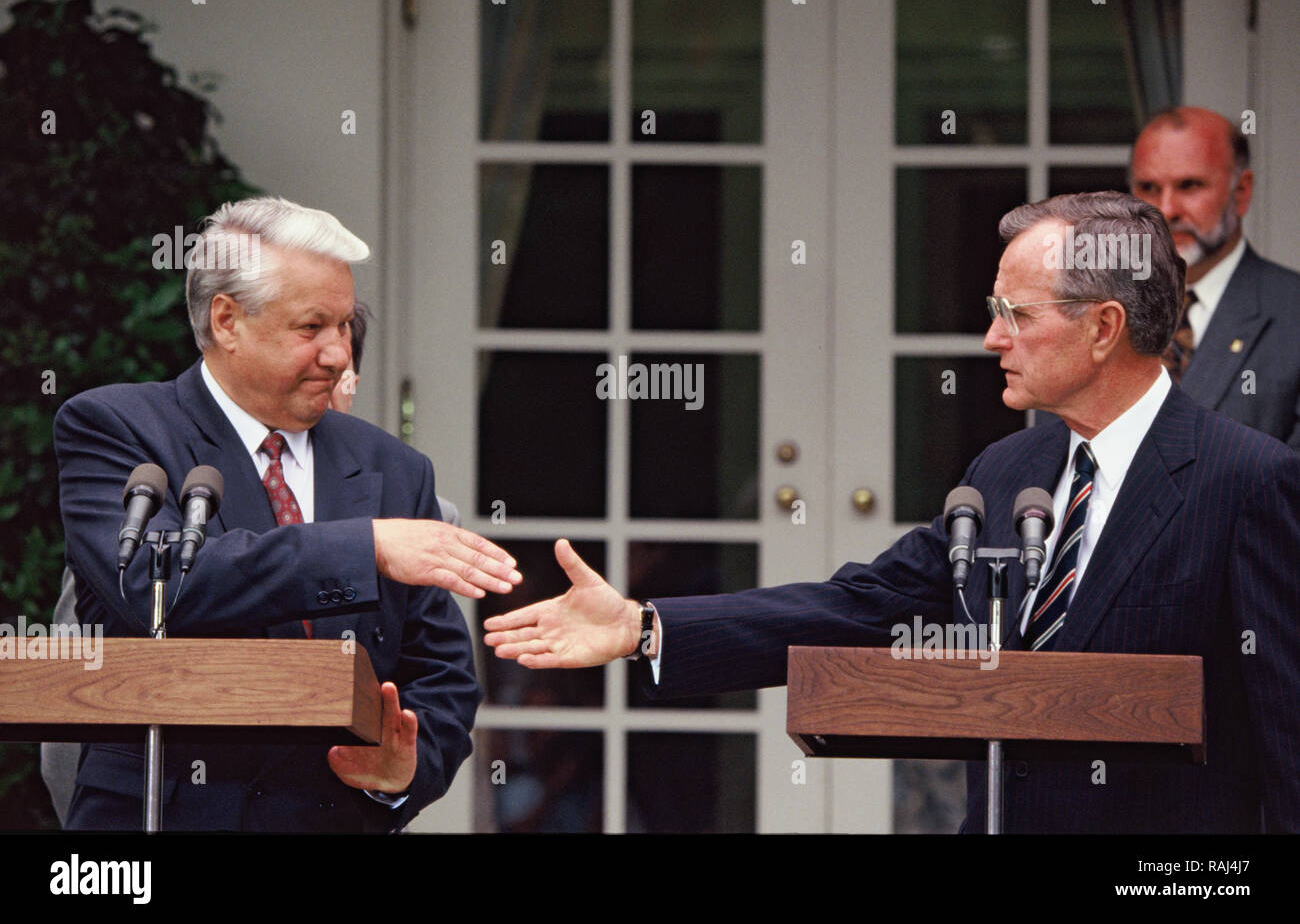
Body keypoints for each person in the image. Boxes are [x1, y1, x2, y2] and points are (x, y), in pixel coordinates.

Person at [485, 191, 1300, 833]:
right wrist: (645, 626)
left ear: (1104, 328)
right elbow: (863, 605)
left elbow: (1287, 737)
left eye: (1016, 313)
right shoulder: (1008, 471)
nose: (991, 338)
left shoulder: (1248, 482)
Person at [55, 196, 521, 831]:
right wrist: (366, 549)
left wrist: (403, 774)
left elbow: (442, 677)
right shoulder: (119, 426)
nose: (339, 354)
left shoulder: (395, 470)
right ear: (227, 321)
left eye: (345, 325)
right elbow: (150, 583)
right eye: (312, 328)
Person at [1129, 106, 1300, 449]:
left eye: (1189, 185)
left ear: (1241, 192)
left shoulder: (1291, 311)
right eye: (1148, 188)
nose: (1167, 209)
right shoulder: (1096, 309)